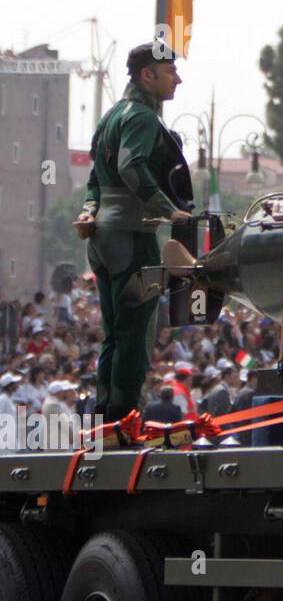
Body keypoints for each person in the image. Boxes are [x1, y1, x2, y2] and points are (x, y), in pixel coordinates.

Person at [73, 42, 192, 422]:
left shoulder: (110, 116)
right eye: (170, 71)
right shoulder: (141, 117)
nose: (177, 78)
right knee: (137, 333)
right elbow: (130, 166)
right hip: (132, 236)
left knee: (113, 334)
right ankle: (125, 417)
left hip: (102, 238)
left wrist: (89, 211)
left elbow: (95, 179)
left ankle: (105, 415)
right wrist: (168, 209)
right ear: (148, 75)